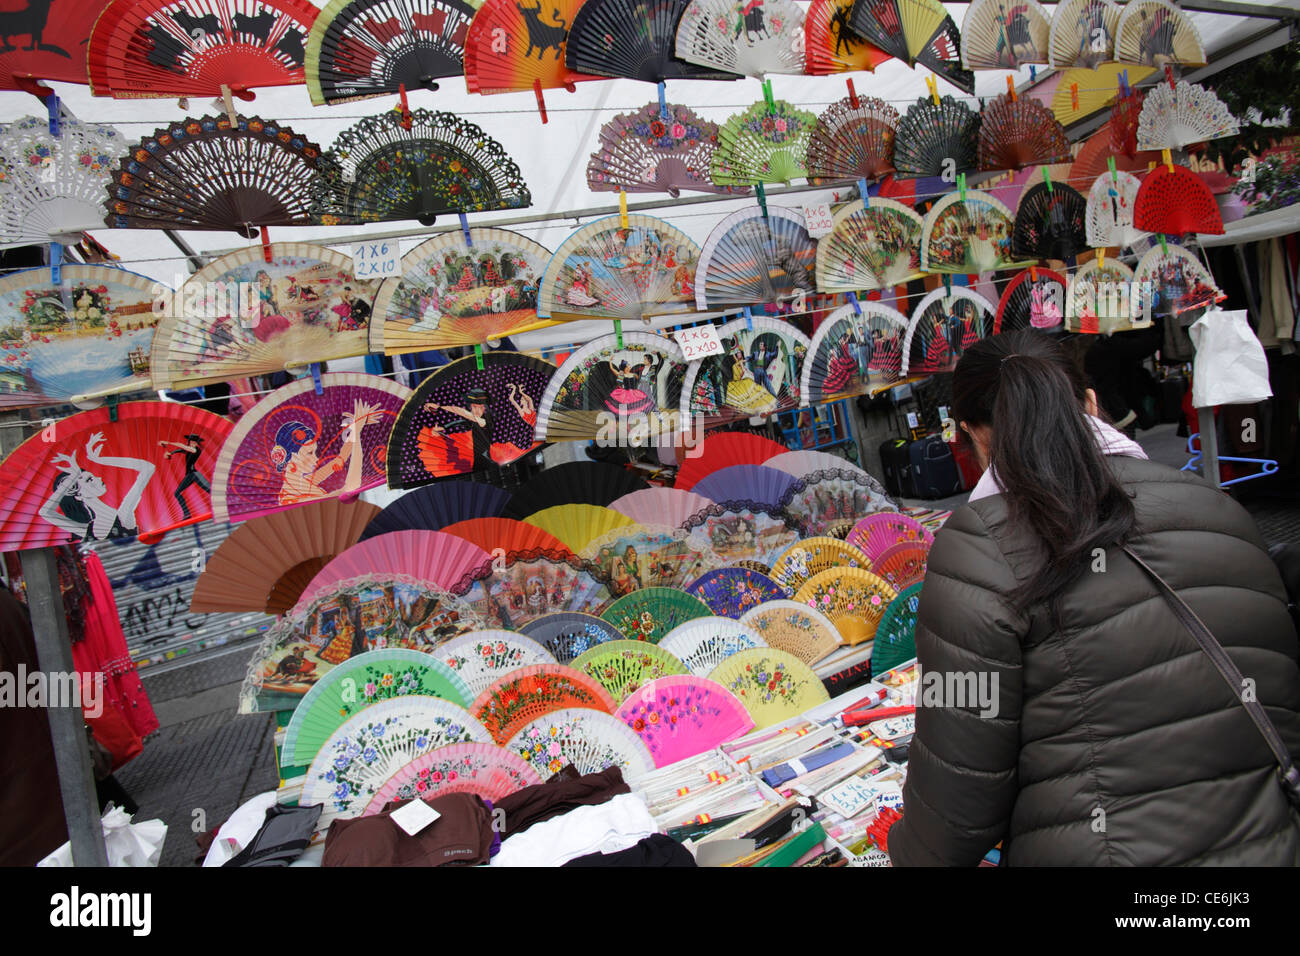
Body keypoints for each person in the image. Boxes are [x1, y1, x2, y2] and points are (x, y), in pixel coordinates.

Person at [887, 330, 1300, 866]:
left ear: (972, 434)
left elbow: (956, 804)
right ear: (1090, 402)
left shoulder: (974, 550)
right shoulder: (1216, 505)